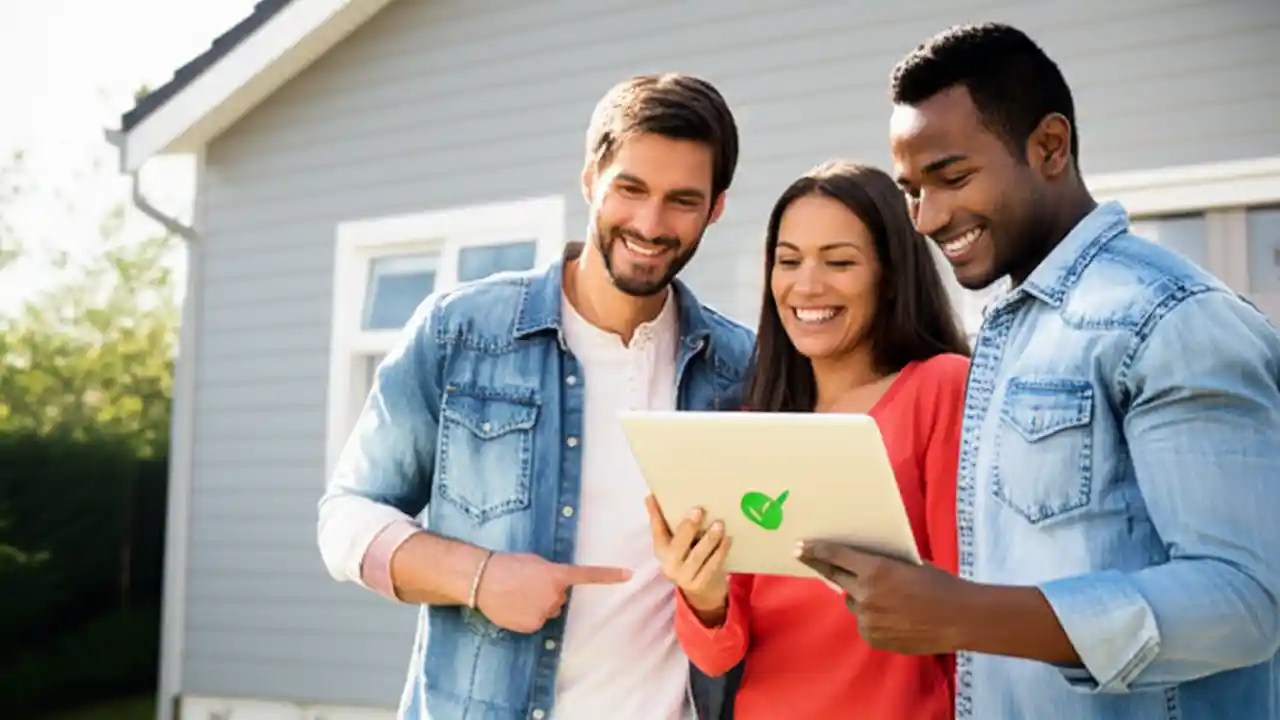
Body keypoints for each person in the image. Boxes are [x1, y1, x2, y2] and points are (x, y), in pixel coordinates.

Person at [796, 22, 1280, 720]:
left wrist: (963, 615)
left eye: (952, 177)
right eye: (911, 189)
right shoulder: (1008, 327)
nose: (927, 218)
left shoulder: (1169, 319)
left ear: (1049, 146)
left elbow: (1246, 601)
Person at [316, 72, 756, 720]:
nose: (650, 223)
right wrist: (479, 576)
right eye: (629, 189)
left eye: (682, 200)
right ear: (590, 178)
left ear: (716, 207)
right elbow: (346, 517)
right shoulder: (459, 332)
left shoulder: (743, 371)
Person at [647, 159, 972, 719]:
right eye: (788, 261)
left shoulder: (941, 388)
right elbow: (718, 654)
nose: (806, 286)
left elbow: (965, 612)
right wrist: (703, 594)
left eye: (840, 262)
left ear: (891, 273)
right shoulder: (755, 421)